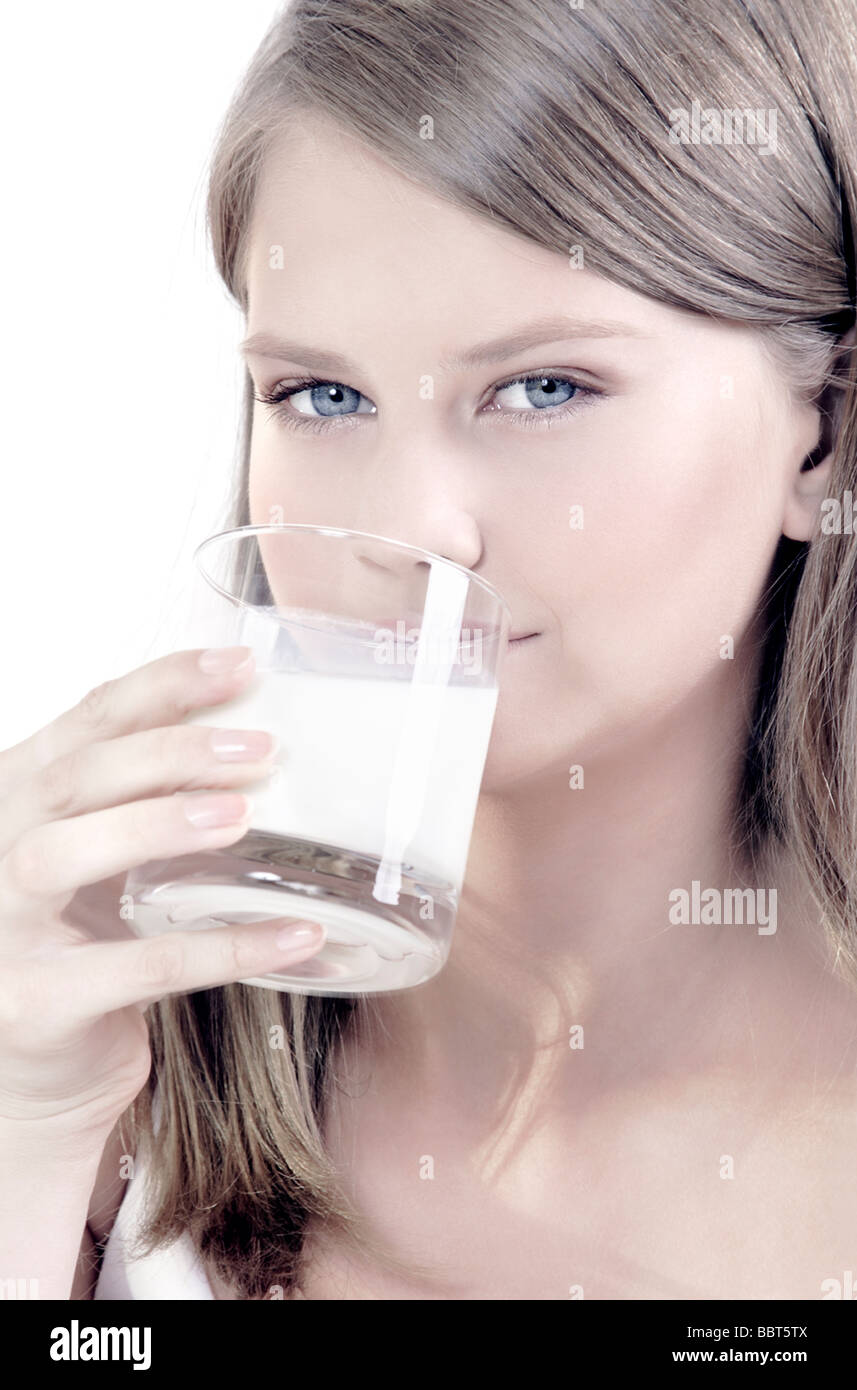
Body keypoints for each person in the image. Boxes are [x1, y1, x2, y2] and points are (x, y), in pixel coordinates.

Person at [2, 0, 857, 1301]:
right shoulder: (84, 1024)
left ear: (824, 434)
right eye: (319, 395)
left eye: (543, 387)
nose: (402, 530)